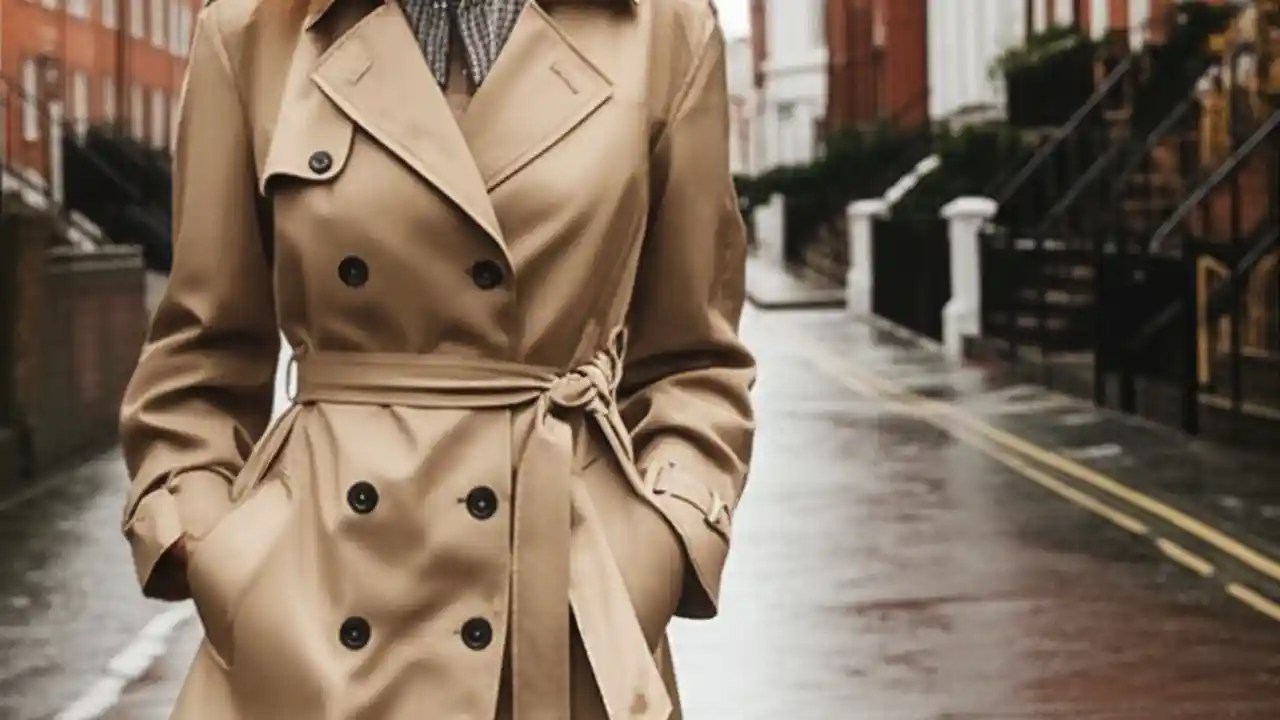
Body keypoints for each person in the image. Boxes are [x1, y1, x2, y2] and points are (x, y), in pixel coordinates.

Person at [116, 0, 757, 717]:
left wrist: (657, 548)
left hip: (560, 608)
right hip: (309, 618)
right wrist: (221, 560)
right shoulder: (252, 31)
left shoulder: (663, 30)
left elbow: (693, 360)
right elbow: (197, 361)